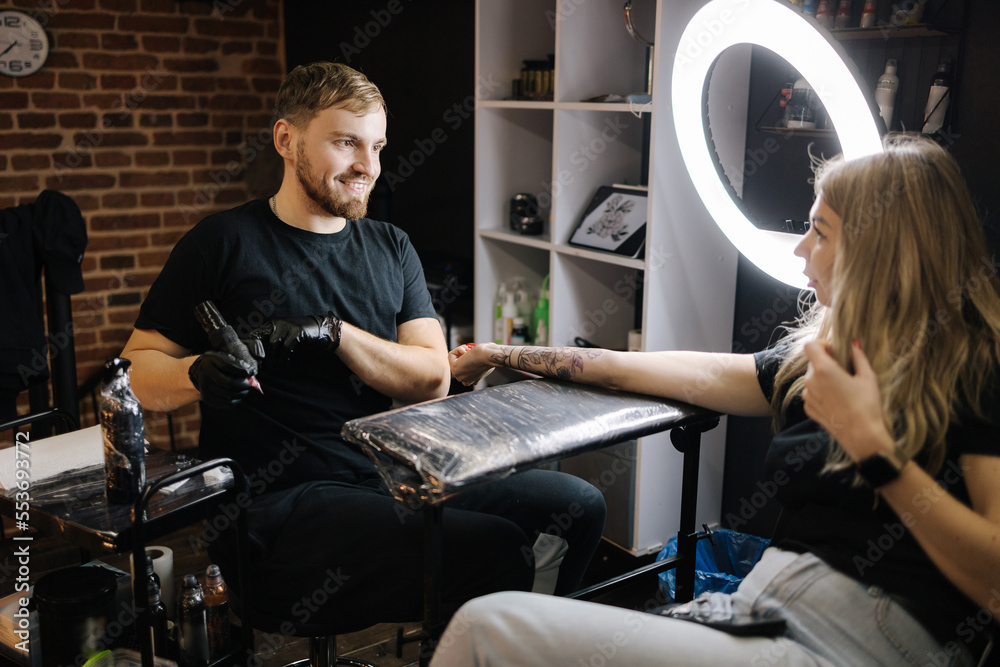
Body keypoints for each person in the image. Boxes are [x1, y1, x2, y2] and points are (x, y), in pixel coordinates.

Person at [432, 135, 1000, 666]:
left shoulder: (978, 368)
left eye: (820, 232)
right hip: (761, 613)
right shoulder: (820, 359)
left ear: (882, 250)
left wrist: (876, 451)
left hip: (857, 638)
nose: (801, 250)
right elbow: (645, 370)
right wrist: (500, 354)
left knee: (483, 626)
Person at [120, 61, 605, 632]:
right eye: (346, 143)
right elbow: (135, 370)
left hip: (386, 475)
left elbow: (430, 377)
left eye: (377, 146)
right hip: (278, 506)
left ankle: (524, 641)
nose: (367, 167)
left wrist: (334, 334)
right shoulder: (222, 244)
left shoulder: (391, 247)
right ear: (286, 140)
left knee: (577, 506)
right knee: (495, 548)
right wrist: (196, 373)